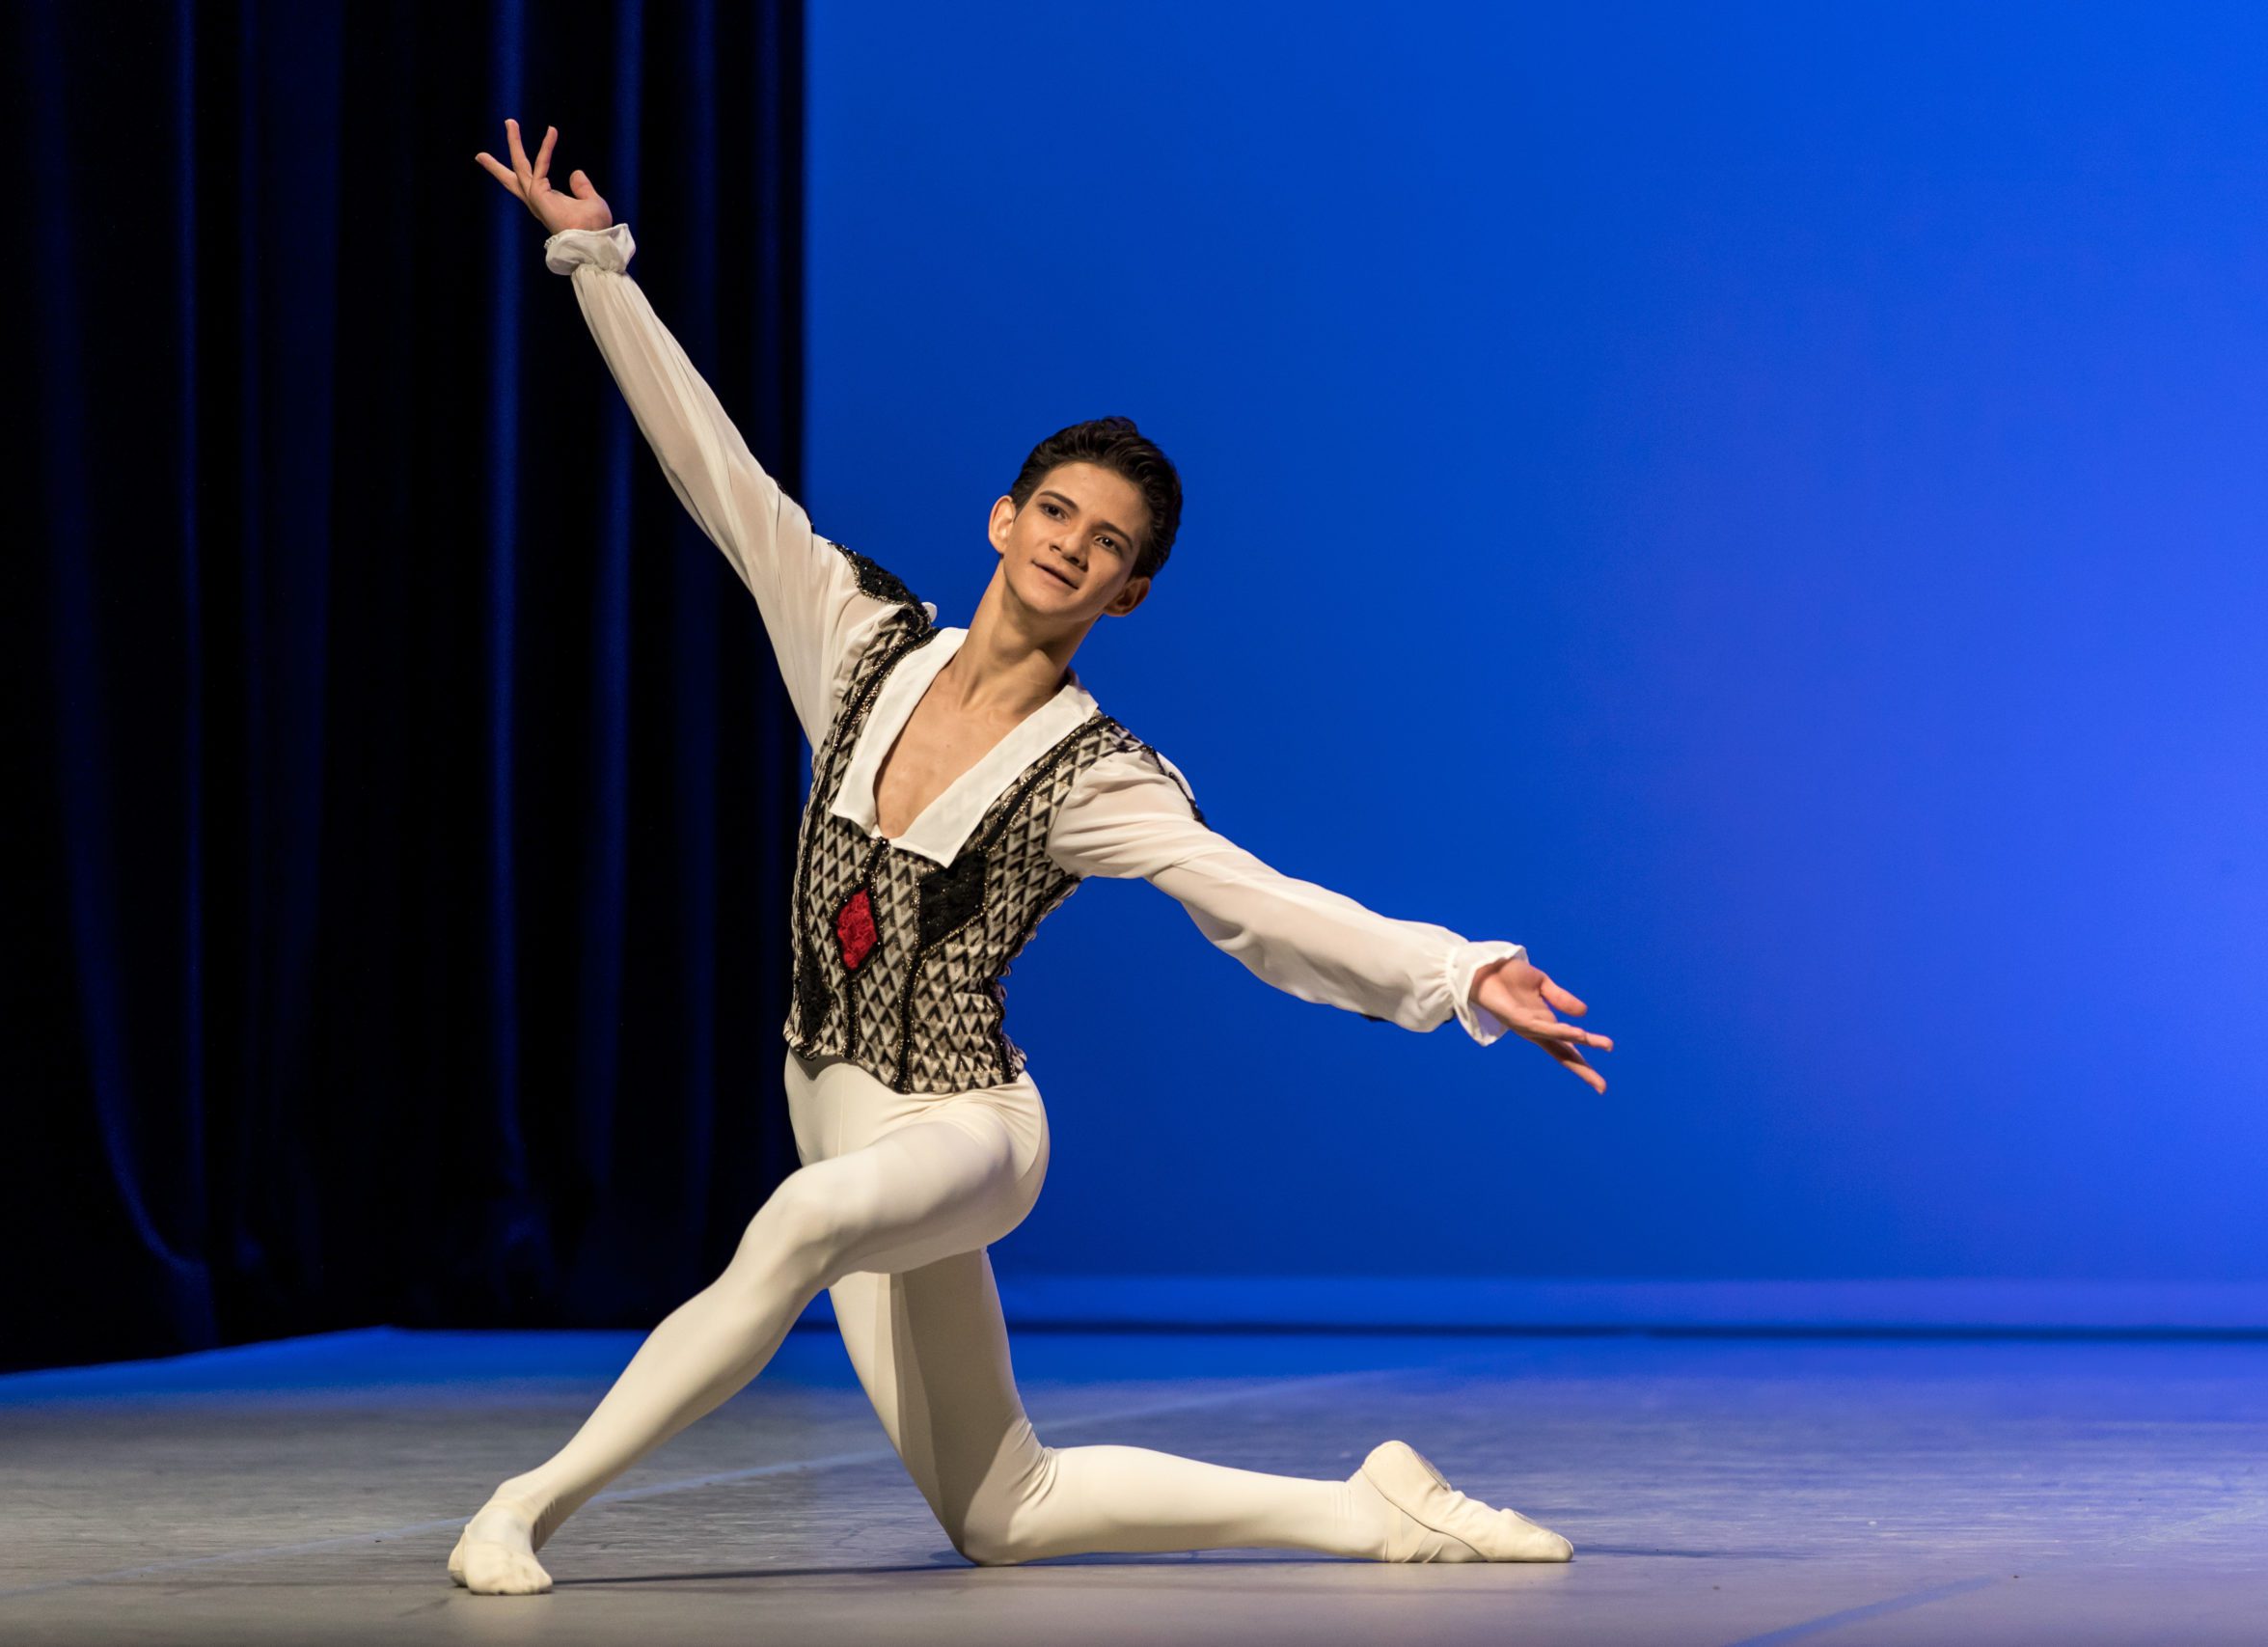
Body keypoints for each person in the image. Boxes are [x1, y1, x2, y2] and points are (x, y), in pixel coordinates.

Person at [450, 119, 1615, 1598]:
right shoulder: (857, 639)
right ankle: (1375, 1510)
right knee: (1004, 1507)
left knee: (806, 1222)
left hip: (966, 1133)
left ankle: (525, 1506)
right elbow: (720, 476)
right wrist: (596, 265)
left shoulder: (1094, 776)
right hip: (831, 1102)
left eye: (1108, 541)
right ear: (1004, 519)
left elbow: (1255, 903)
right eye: (1056, 510)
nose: (1071, 543)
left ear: (1128, 594)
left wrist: (1461, 971)